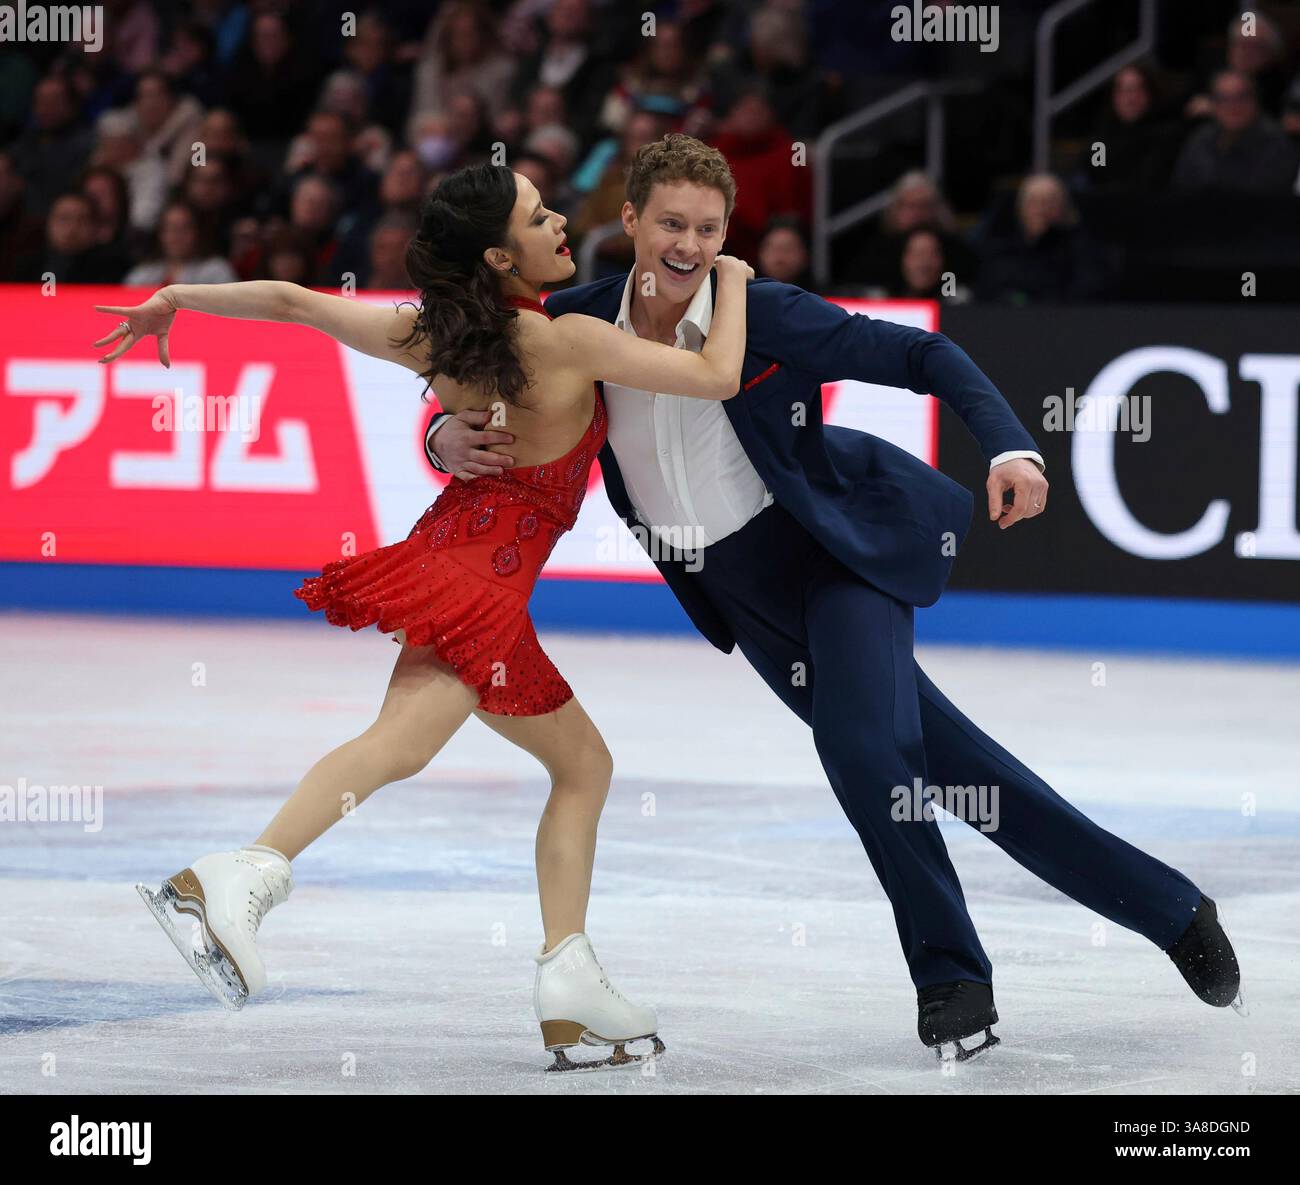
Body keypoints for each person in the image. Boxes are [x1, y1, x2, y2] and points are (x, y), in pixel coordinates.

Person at [427, 134, 1243, 1060]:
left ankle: (952, 981)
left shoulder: (763, 315)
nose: (687, 244)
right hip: (744, 597)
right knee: (966, 779)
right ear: (630, 221)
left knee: (861, 750)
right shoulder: (576, 325)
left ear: (727, 230)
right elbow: (463, 375)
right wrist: (444, 439)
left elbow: (918, 355)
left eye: (707, 226)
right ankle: (1173, 908)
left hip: (836, 561)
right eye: (669, 224)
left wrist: (1012, 446)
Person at [95, 163, 753, 1072]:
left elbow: (293, 302)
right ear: (498, 253)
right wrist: (733, 278)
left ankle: (568, 978)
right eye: (538, 215)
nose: (561, 219)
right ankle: (239, 875)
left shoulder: (432, 333)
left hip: (464, 569)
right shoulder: (566, 343)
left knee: (583, 765)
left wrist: (176, 295)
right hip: (473, 584)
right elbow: (718, 375)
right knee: (402, 743)